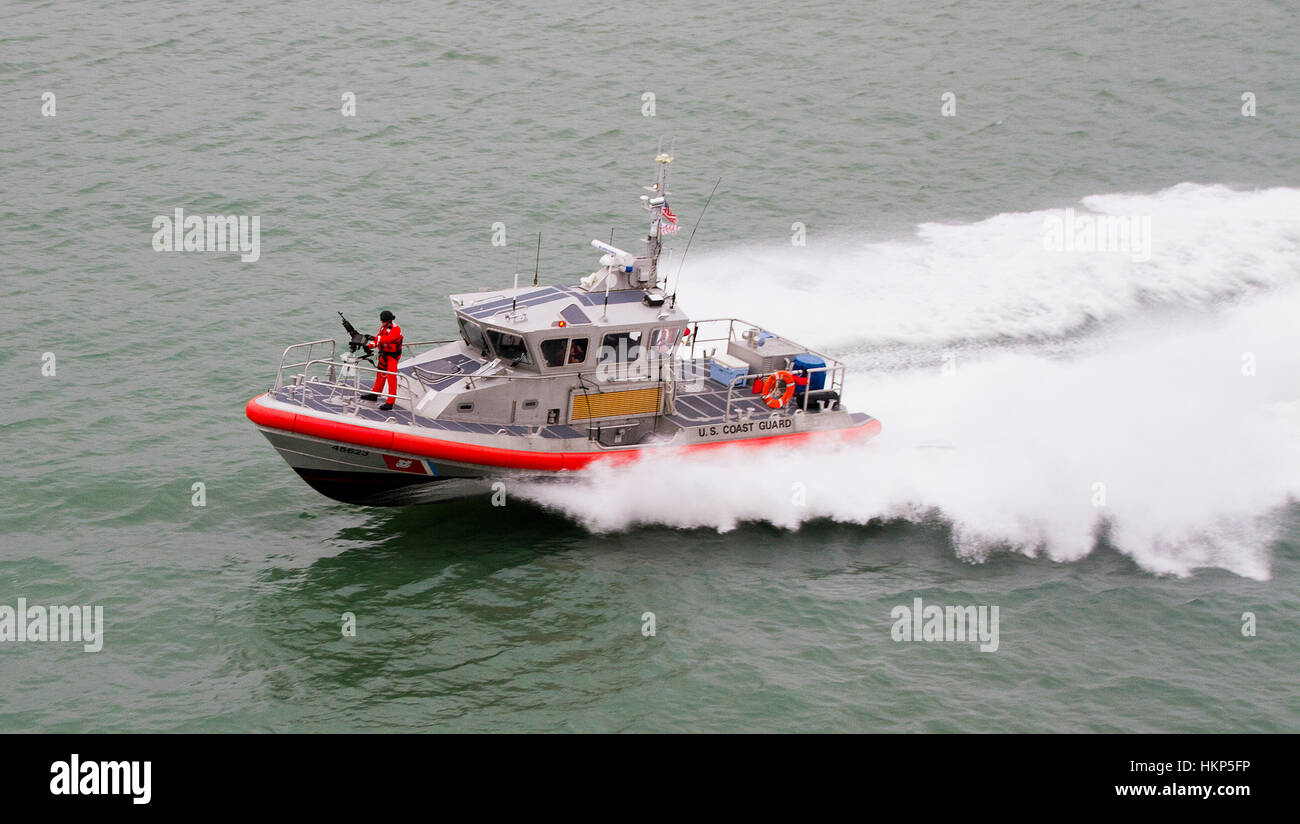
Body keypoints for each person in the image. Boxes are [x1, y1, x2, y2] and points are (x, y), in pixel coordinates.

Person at [359, 310, 403, 410]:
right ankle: (375, 394)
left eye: (384, 321)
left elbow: (386, 339)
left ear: (389, 321)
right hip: (384, 354)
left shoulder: (395, 329)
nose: (382, 323)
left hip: (392, 356)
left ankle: (390, 402)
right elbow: (378, 340)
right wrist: (369, 346)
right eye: (382, 321)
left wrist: (373, 339)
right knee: (380, 374)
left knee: (391, 378)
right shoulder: (383, 327)